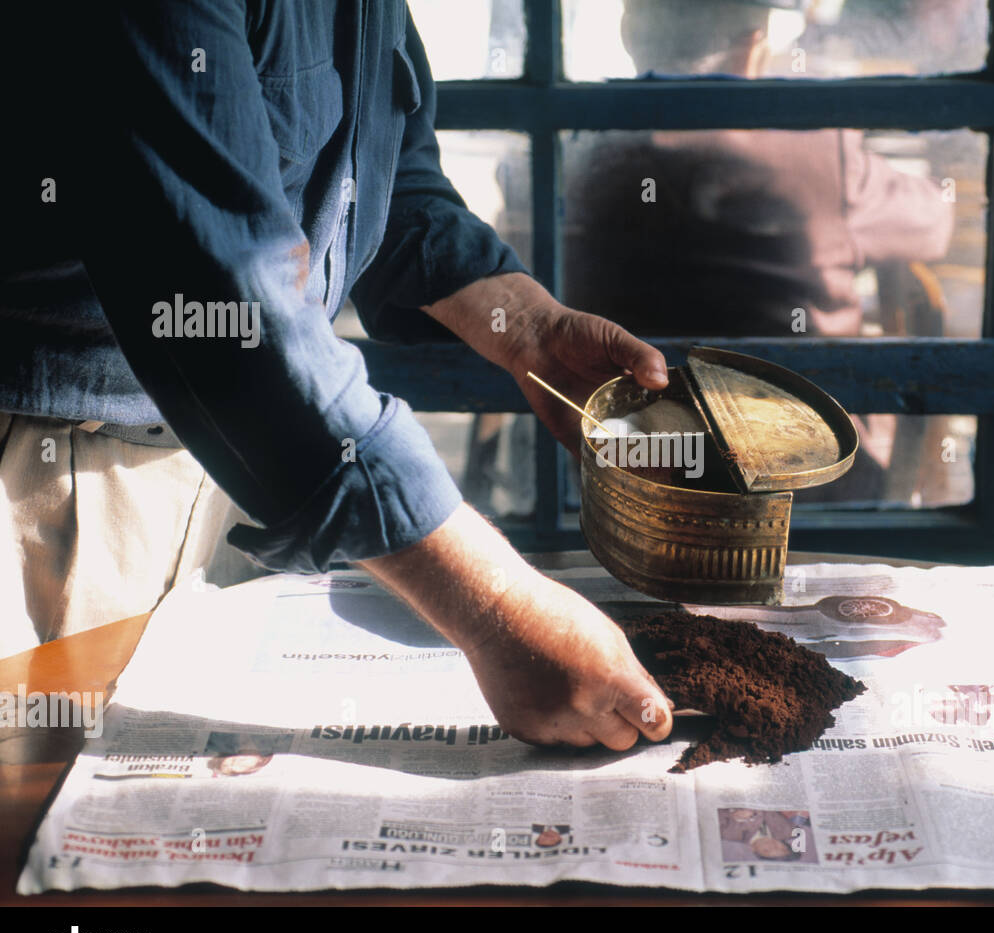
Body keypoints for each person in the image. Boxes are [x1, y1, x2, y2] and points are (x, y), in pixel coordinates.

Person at [0, 2, 673, 752]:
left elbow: (378, 173)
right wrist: (497, 606)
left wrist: (529, 329)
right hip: (47, 483)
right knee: (32, 813)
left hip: (234, 471)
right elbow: (220, 301)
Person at [561, 0, 954, 501]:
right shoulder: (821, 149)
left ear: (628, 34)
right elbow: (934, 222)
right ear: (752, 50)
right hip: (807, 486)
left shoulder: (575, 149)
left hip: (621, 479)